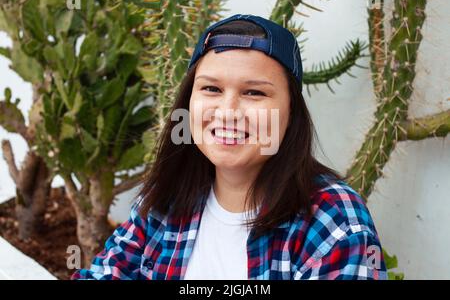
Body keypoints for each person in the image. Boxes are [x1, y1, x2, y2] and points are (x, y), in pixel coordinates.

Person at [72, 14, 387, 280]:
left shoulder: (335, 221)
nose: (227, 112)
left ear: (291, 113)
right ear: (188, 103)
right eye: (211, 88)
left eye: (254, 93)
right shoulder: (164, 199)